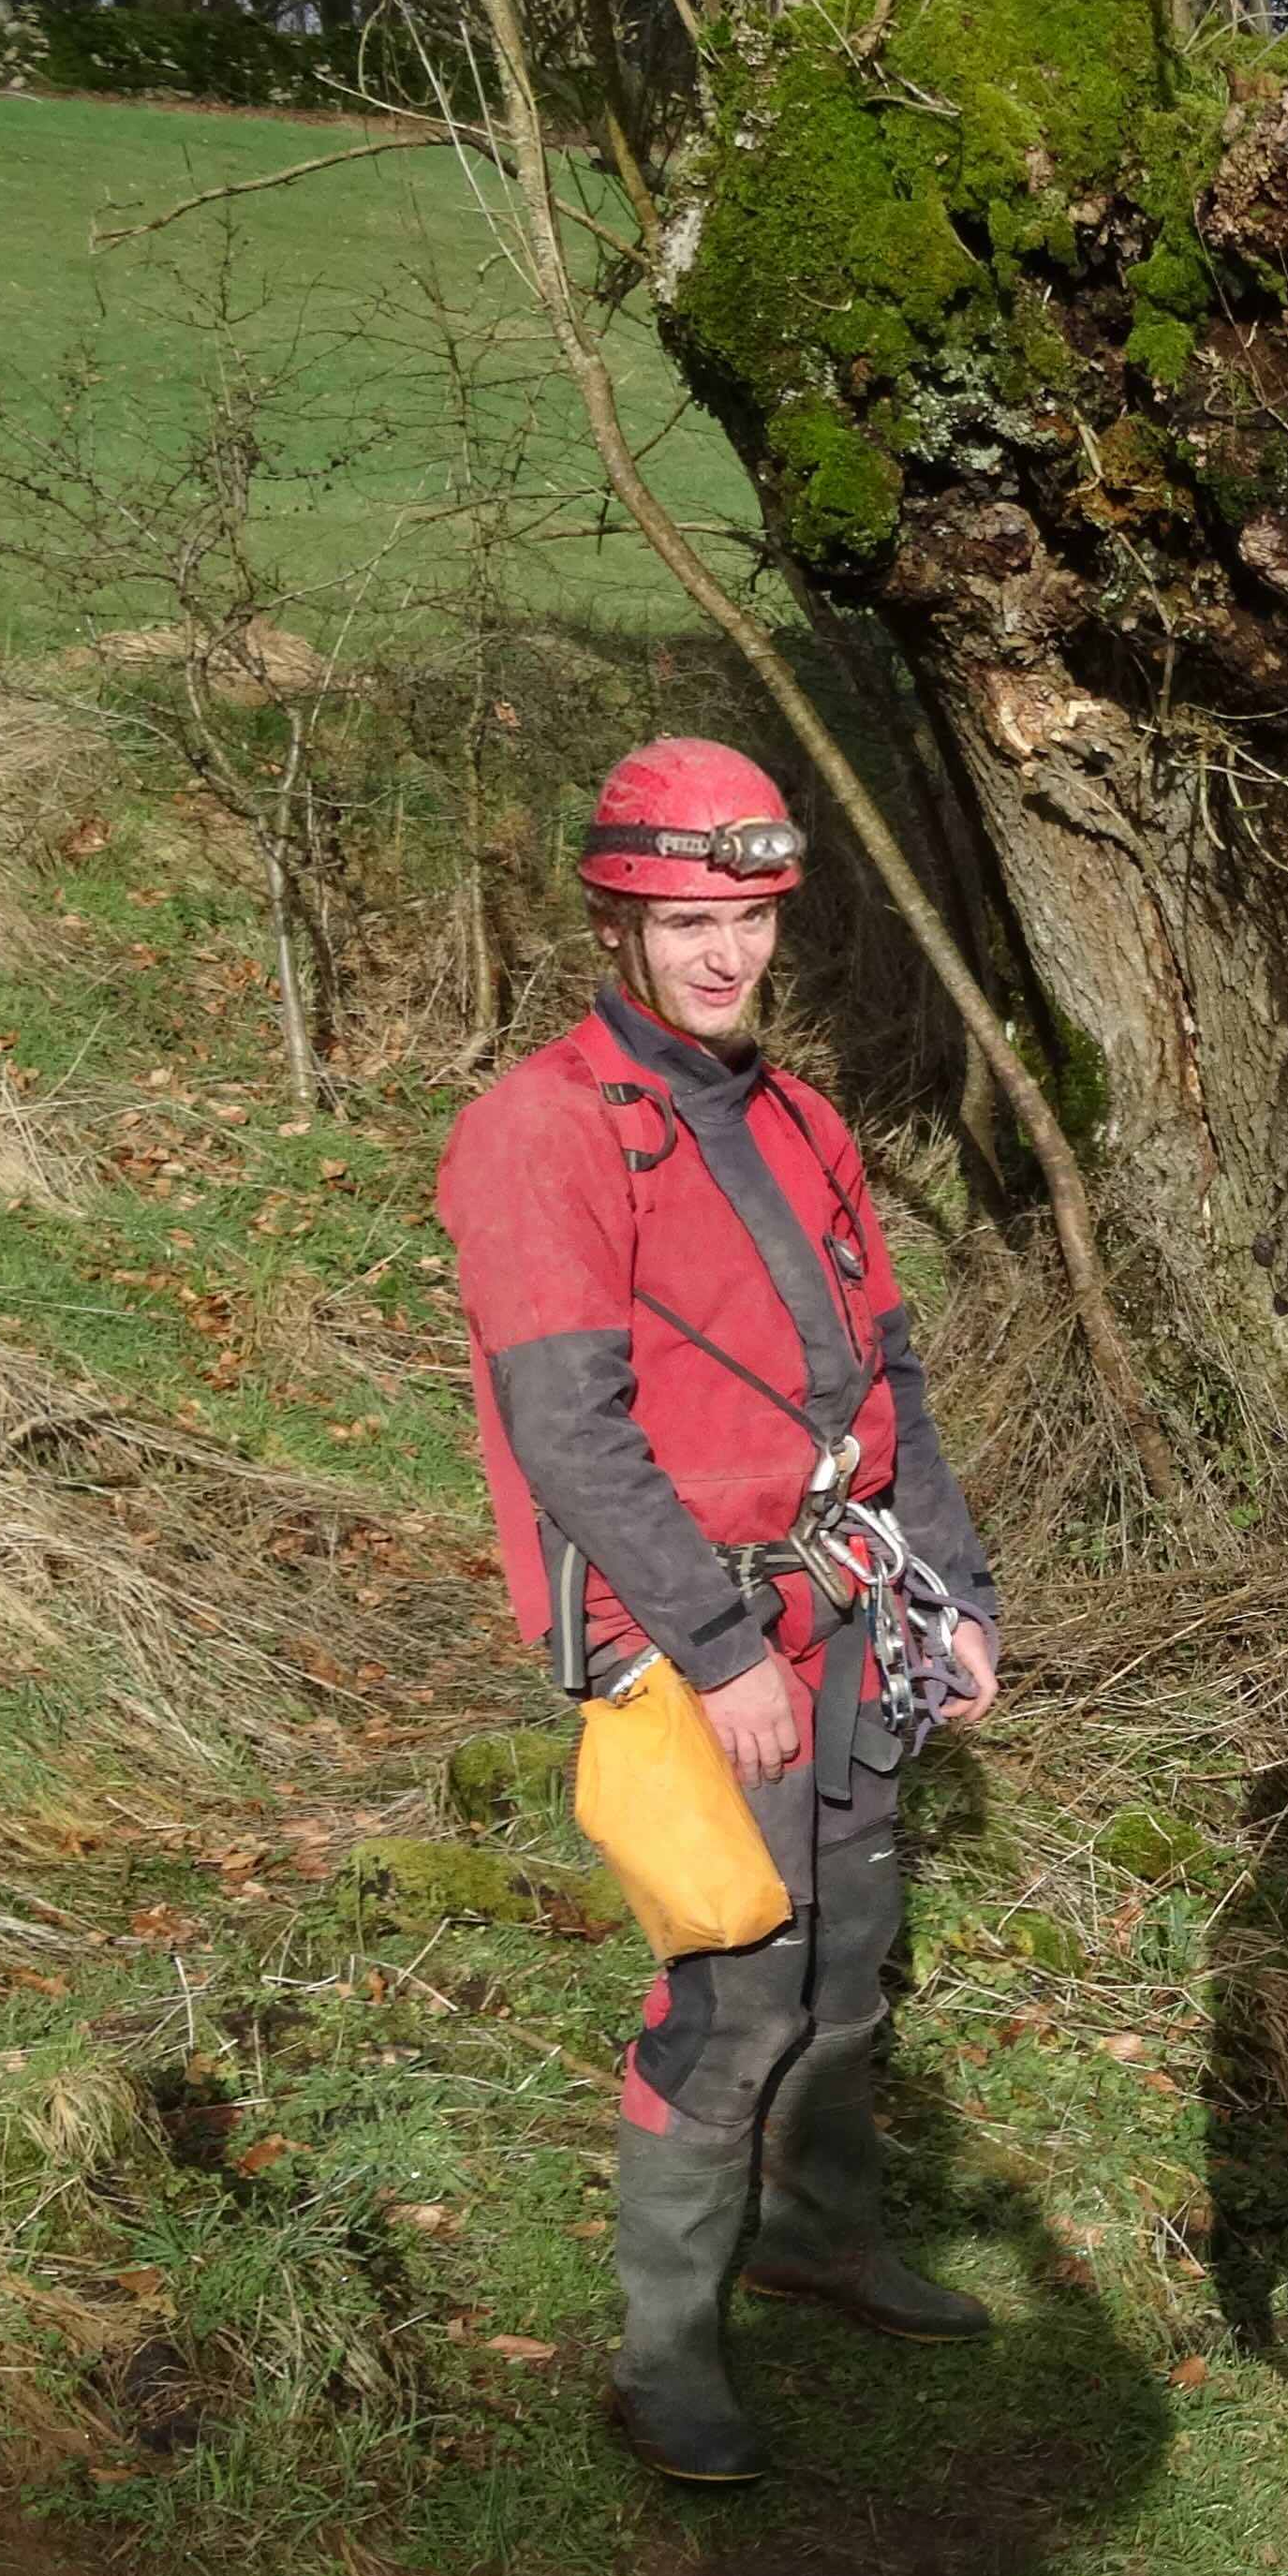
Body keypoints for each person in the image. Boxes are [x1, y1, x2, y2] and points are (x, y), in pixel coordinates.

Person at [437, 738, 1002, 2488]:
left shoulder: (800, 1118)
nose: (716, 952)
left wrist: (955, 1588)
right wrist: (718, 1645)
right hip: (703, 1641)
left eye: (744, 917)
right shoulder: (540, 1130)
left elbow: (885, 1368)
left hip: (851, 1614)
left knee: (850, 1955)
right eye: (682, 917)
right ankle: (664, 2352)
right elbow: (569, 1433)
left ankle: (815, 2232)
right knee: (731, 1986)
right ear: (614, 915)